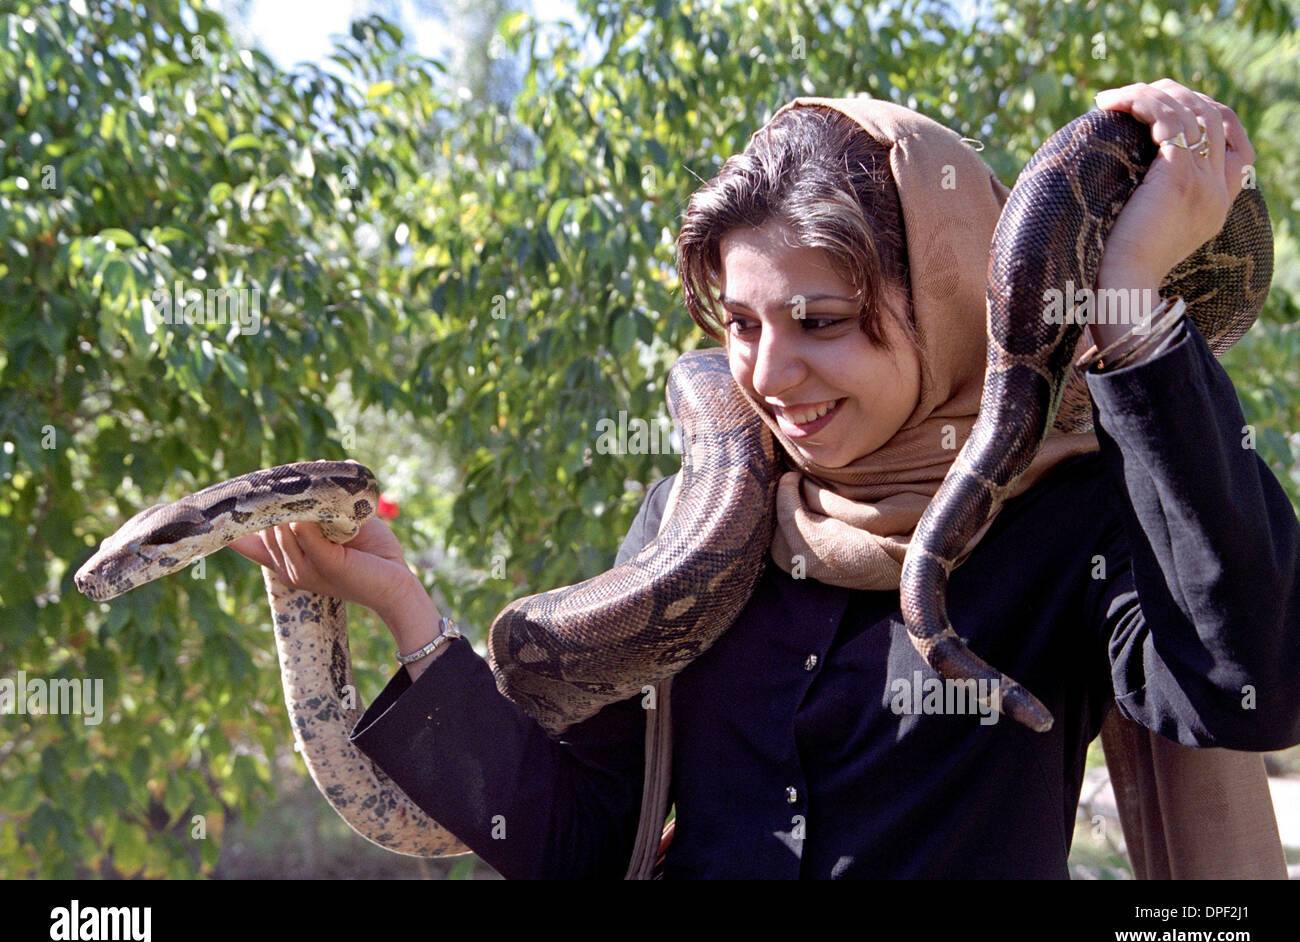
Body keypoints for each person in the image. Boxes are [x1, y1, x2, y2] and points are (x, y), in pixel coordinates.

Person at [228, 79, 1300, 878]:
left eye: (820, 323)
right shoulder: (698, 516)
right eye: (738, 324)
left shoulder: (1069, 509)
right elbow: (586, 840)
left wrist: (1128, 304)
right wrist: (408, 612)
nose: (770, 374)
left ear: (941, 303)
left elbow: (1249, 681)